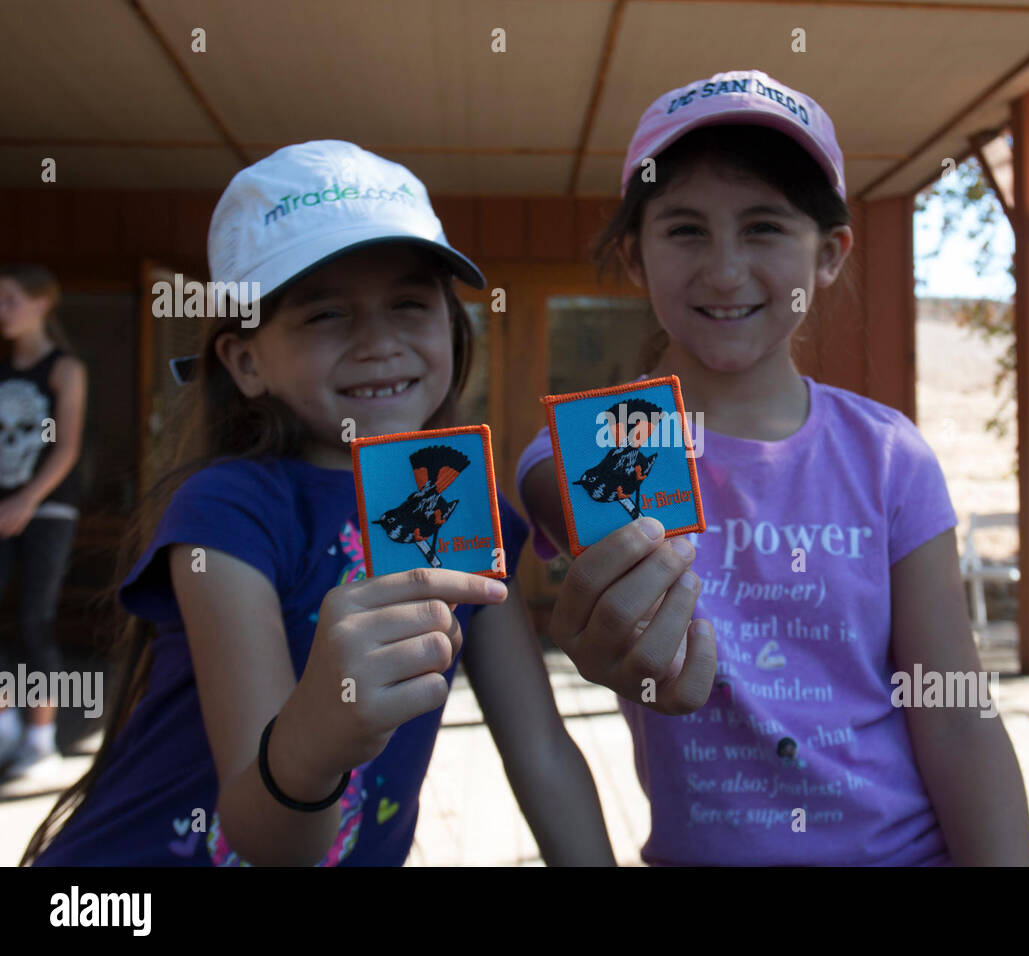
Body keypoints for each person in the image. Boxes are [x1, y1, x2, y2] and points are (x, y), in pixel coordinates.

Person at [22, 141, 614, 866]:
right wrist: (318, 731)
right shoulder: (225, 510)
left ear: (456, 331)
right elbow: (271, 843)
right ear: (245, 361)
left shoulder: (462, 501)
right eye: (326, 313)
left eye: (408, 303)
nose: (378, 342)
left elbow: (543, 752)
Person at [516, 70, 1029, 865]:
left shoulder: (889, 455)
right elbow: (549, 481)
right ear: (633, 255)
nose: (725, 270)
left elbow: (955, 712)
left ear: (828, 255)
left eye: (764, 227)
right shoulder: (600, 446)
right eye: (685, 230)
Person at [0, 265, 87, 782]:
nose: (2, 312)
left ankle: (40, 737)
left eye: (9, 300)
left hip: (47, 509)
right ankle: (6, 719)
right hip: (2, 506)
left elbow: (67, 446)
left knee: (34, 617)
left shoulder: (64, 368)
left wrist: (27, 500)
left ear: (41, 304)